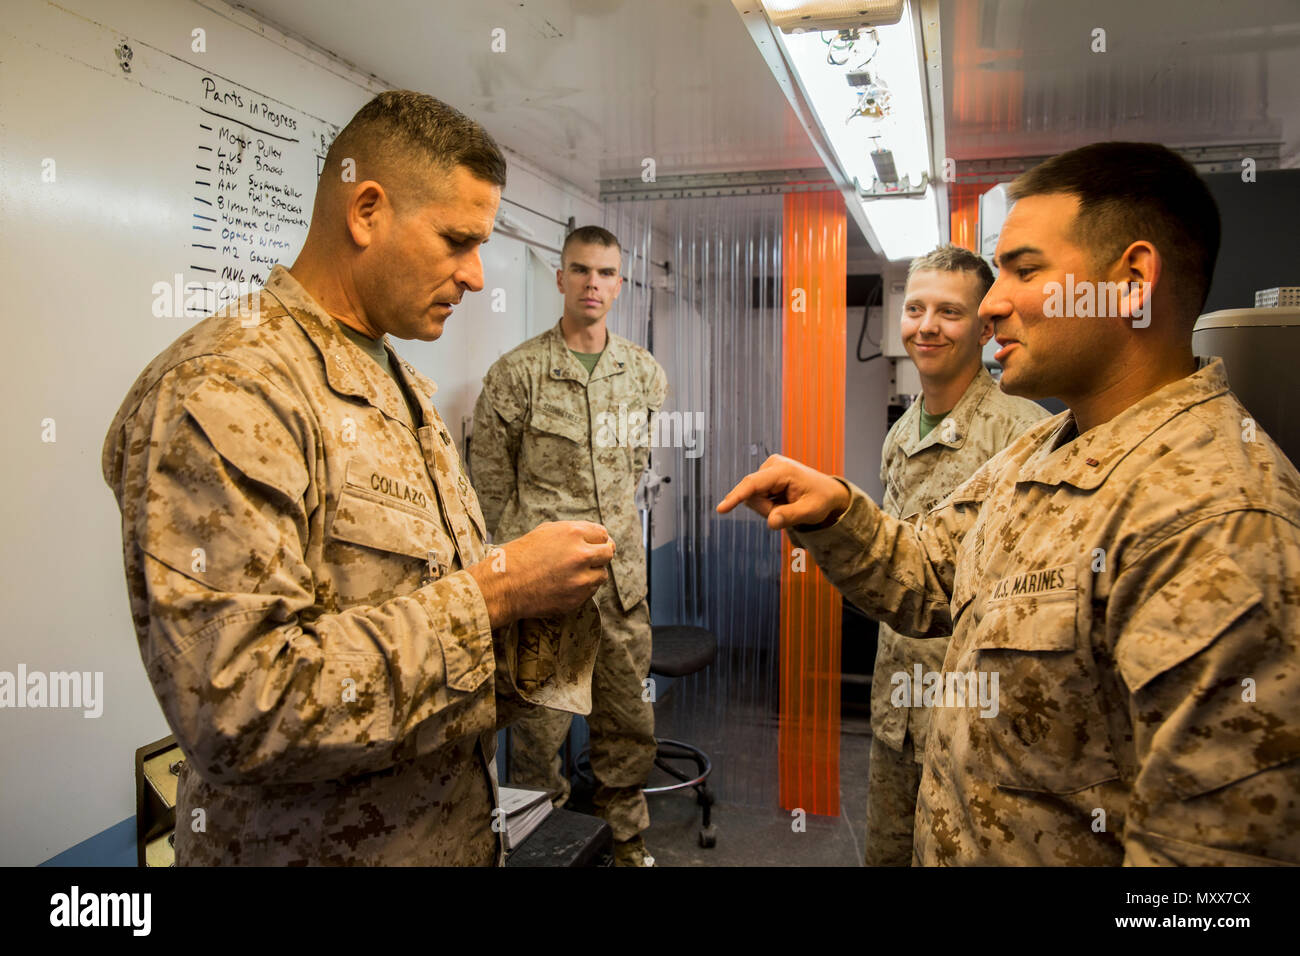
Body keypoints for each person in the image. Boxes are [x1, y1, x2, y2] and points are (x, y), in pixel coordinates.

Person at [719, 142, 1300, 865]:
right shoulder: (1050, 448)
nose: (991, 303)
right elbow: (935, 573)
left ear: (1131, 282)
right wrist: (837, 509)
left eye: (1025, 271)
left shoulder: (1215, 522)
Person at [101, 91, 615, 866]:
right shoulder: (226, 389)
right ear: (367, 211)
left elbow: (435, 662)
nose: (476, 276)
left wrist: (546, 607)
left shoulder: (402, 389)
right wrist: (500, 593)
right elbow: (240, 708)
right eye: (456, 240)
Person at [470, 225, 668, 867]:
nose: (593, 283)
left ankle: (627, 844)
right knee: (536, 741)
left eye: (606, 272)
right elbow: (491, 494)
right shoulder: (517, 375)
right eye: (580, 270)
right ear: (559, 278)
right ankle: (543, 852)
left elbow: (636, 468)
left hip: (620, 588)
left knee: (627, 729)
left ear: (620, 282)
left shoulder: (643, 374)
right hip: (545, 595)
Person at [862, 245, 1047, 866]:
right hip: (897, 706)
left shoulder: (1021, 432)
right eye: (915, 309)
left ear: (984, 326)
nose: (926, 326)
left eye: (949, 311)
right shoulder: (900, 433)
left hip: (977, 721)